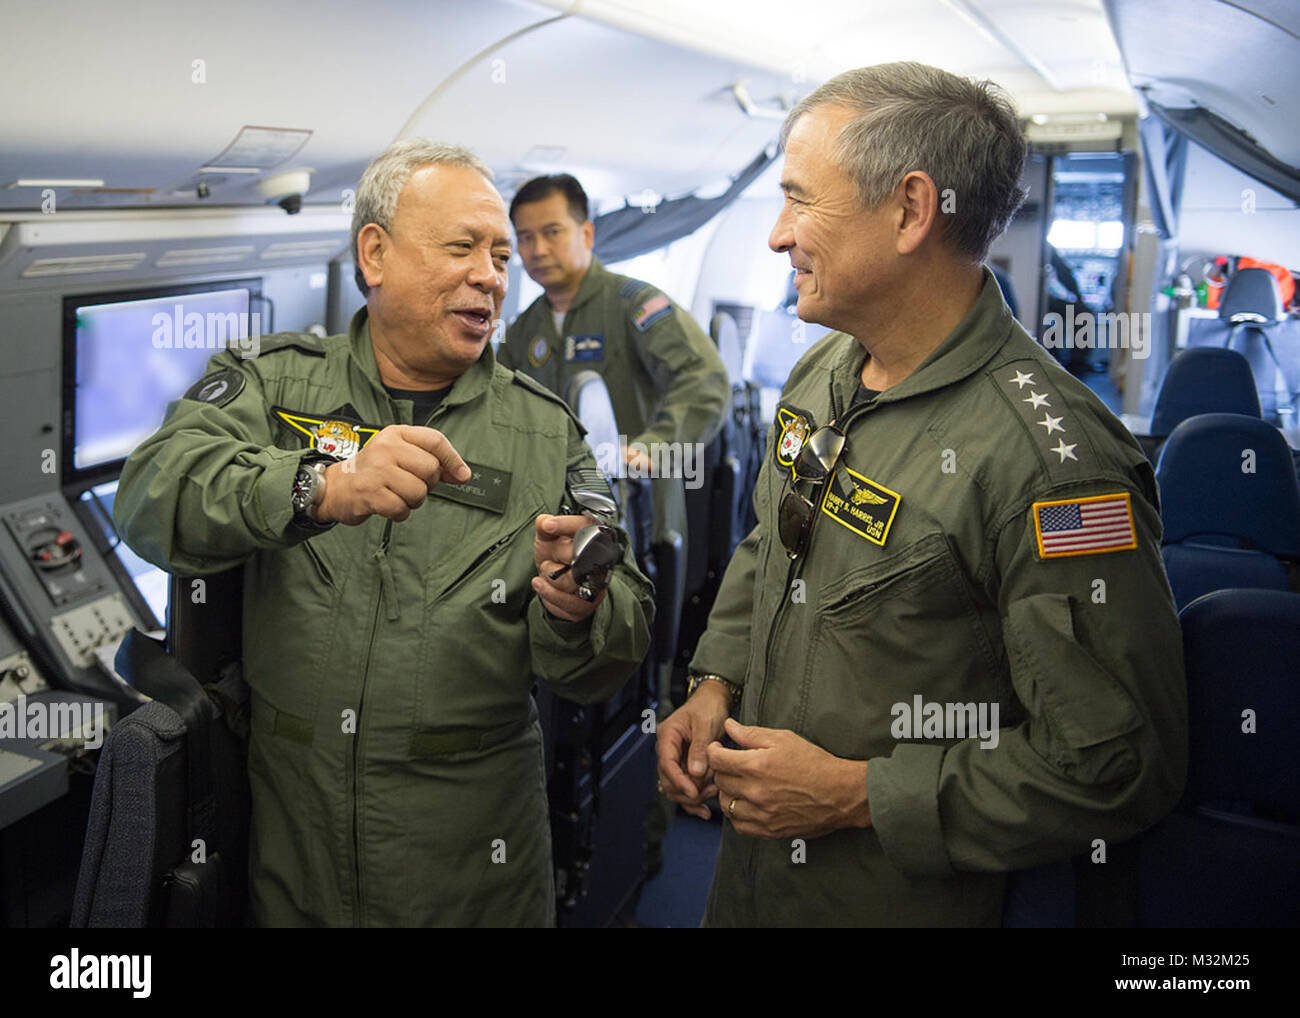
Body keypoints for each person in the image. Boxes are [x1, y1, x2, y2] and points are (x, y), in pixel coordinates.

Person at [656, 62, 1187, 927]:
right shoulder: (821, 373)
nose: (777, 235)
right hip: (752, 883)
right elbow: (772, 547)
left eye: (800, 200)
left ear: (909, 211)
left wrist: (855, 795)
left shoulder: (1052, 468)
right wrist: (715, 681)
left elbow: (1118, 765)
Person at [114, 139, 654, 927]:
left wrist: (580, 606)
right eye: (463, 247)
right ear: (375, 253)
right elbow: (148, 495)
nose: (493, 276)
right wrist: (317, 487)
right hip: (291, 842)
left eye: (501, 255)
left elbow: (623, 636)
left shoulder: (545, 434)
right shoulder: (272, 382)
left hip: (470, 859)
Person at [500, 174, 730, 551]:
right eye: (525, 237)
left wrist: (650, 449)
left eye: (552, 232)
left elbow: (704, 379)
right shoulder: (523, 331)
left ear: (586, 234)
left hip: (639, 513)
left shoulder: (633, 304)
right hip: (558, 516)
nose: (537, 249)